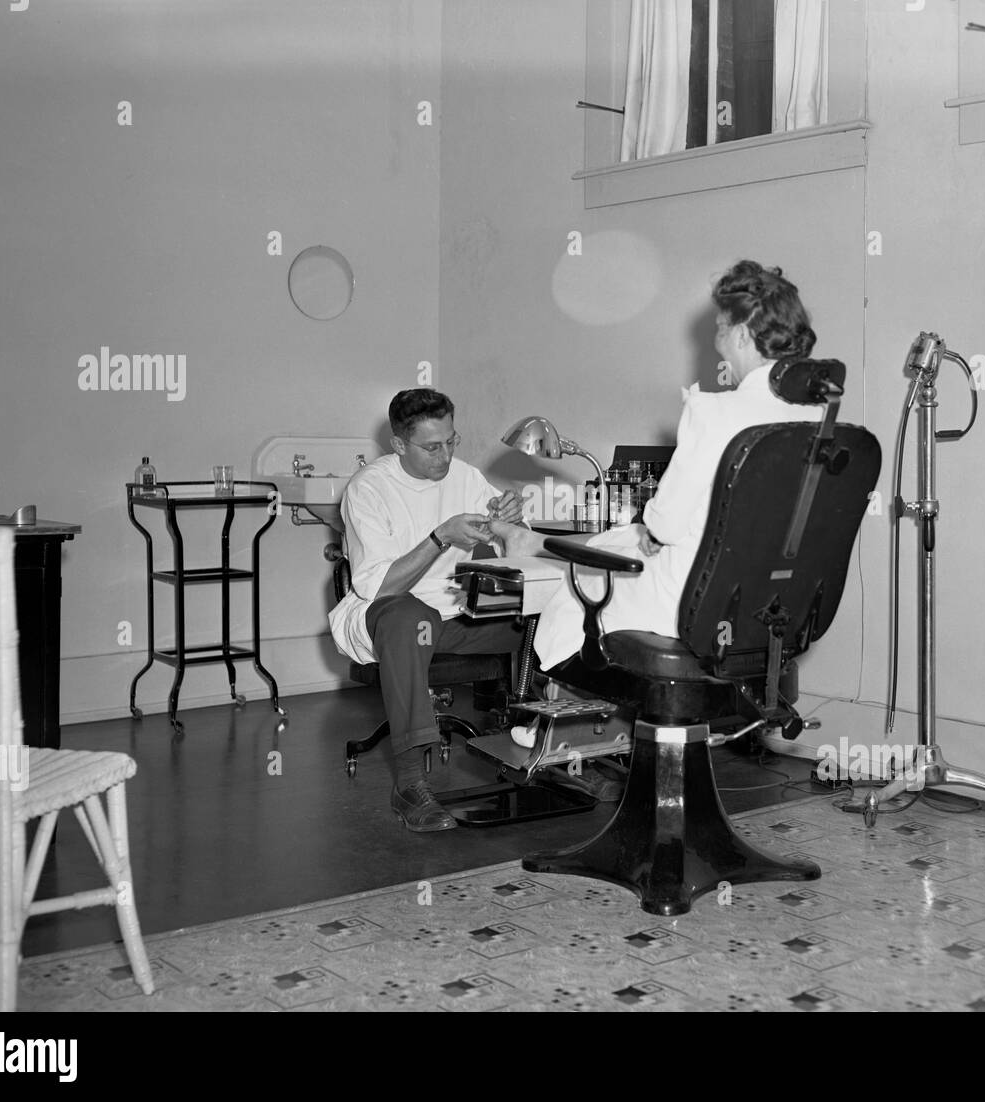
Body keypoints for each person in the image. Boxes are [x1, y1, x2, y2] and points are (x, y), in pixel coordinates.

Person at [490, 260, 824, 669]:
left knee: (582, 583)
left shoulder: (715, 412)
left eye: (719, 329)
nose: (716, 342)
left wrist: (659, 532)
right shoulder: (818, 419)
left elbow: (665, 525)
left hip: (689, 604)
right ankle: (533, 544)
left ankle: (554, 708)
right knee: (628, 536)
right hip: (776, 605)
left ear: (741, 334)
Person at [329, 389, 531, 832]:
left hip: (457, 616)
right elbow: (381, 588)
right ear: (399, 444)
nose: (445, 456)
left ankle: (563, 753)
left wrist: (511, 519)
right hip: (387, 615)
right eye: (432, 447)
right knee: (411, 616)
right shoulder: (368, 490)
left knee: (549, 613)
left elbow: (513, 548)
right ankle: (409, 785)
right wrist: (441, 536)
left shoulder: (466, 476)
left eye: (452, 441)